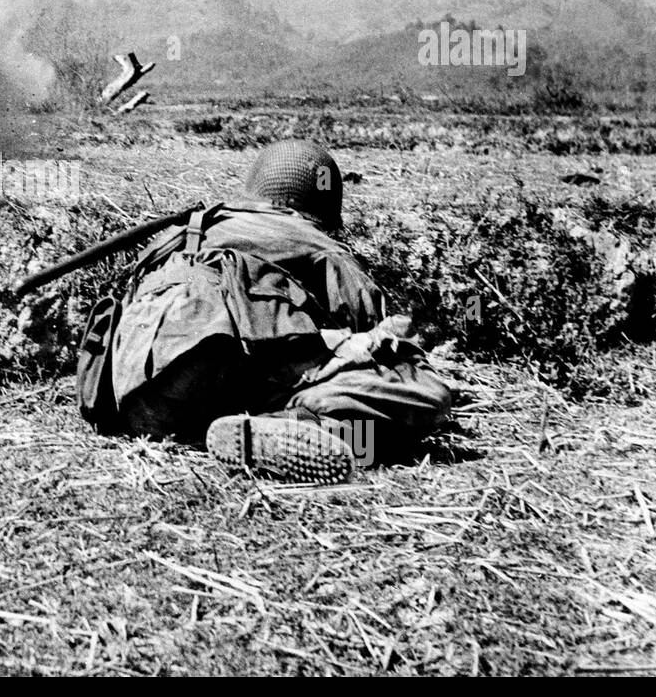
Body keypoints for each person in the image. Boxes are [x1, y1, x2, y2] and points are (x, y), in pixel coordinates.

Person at [76, 139, 451, 484]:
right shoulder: (310, 238)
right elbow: (370, 324)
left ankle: (236, 428)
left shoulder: (185, 231)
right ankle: (302, 426)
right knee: (424, 393)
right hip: (218, 371)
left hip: (133, 401)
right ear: (321, 199)